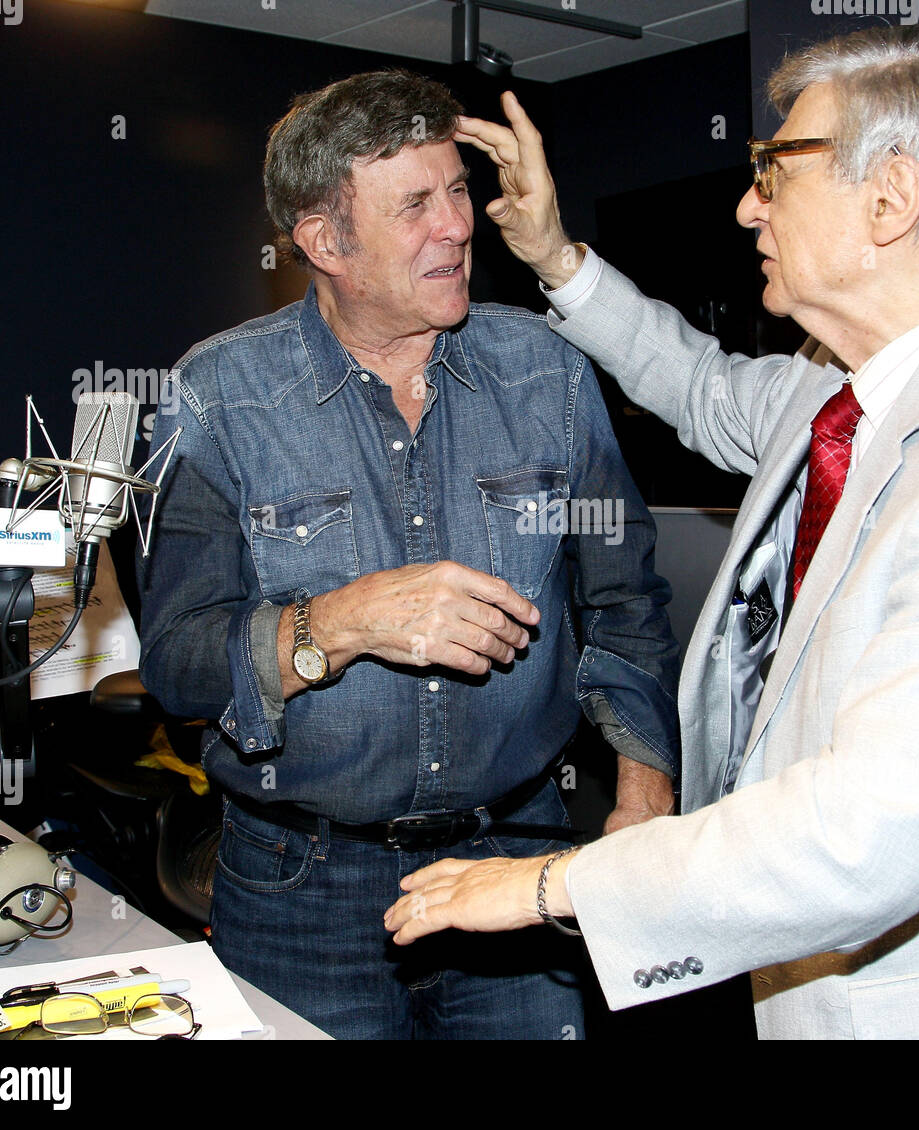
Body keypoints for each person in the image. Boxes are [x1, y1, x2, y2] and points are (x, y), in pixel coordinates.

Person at [385, 26, 919, 1040]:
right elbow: (698, 384)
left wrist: (552, 882)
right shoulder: (845, 390)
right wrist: (552, 254)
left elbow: (870, 831)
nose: (749, 202)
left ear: (891, 196)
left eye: (774, 169)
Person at [136, 70, 680, 1040]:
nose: (457, 226)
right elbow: (178, 663)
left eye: (459, 190)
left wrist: (643, 795)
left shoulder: (546, 370)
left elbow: (624, 601)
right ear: (323, 241)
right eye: (416, 204)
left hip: (514, 863)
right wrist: (341, 622)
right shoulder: (215, 397)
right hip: (300, 883)